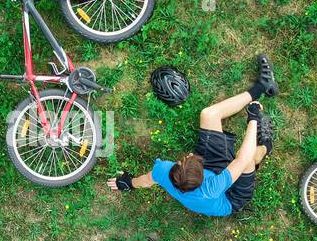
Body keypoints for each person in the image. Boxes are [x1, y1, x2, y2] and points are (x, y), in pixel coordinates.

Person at [109, 56, 278, 217]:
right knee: (248, 160)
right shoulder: (211, 188)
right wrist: (254, 118)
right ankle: (266, 145)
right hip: (231, 196)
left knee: (209, 115)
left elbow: (145, 181)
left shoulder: (163, 171)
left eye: (185, 159)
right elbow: (241, 160)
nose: (189, 155)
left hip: (211, 172)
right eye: (190, 158)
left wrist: (128, 183)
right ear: (203, 175)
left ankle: (262, 86)